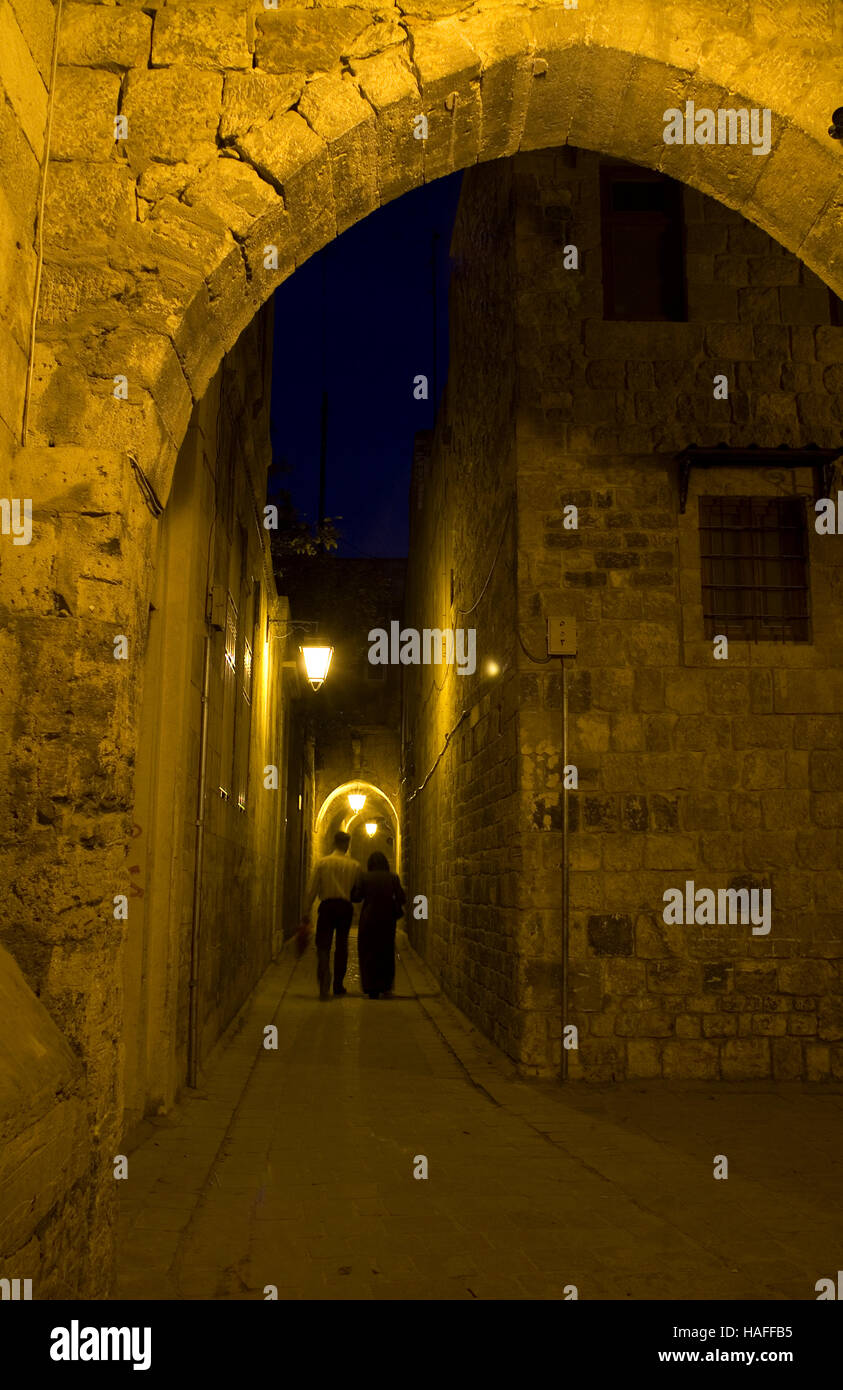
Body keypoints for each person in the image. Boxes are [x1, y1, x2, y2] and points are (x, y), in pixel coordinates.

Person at [302, 831, 361, 1000]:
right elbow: (357, 891)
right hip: (345, 907)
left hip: (327, 906)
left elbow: (312, 889)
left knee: (323, 943)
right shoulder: (354, 865)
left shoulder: (322, 863)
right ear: (347, 845)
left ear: (334, 843)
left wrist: (306, 911)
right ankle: (338, 985)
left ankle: (323, 975)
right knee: (342, 945)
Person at [351, 852, 406, 999]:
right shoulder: (393, 878)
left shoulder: (364, 877)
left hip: (368, 919)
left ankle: (371, 987)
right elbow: (402, 897)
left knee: (368, 951)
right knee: (386, 951)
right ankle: (385, 985)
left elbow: (356, 897)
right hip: (387, 919)